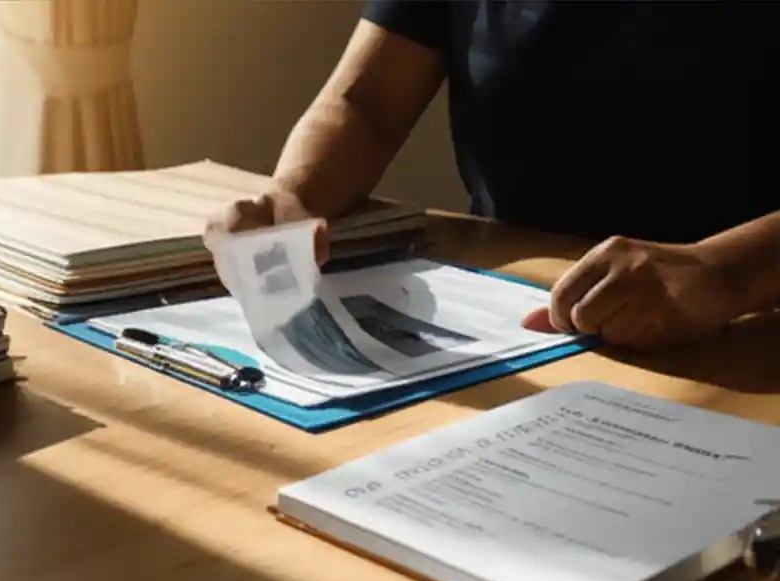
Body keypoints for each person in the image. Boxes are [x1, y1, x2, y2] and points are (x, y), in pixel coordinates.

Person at [207, 1, 779, 349]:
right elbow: (367, 103)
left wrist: (724, 274)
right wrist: (293, 197)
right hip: (519, 328)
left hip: (746, 338)